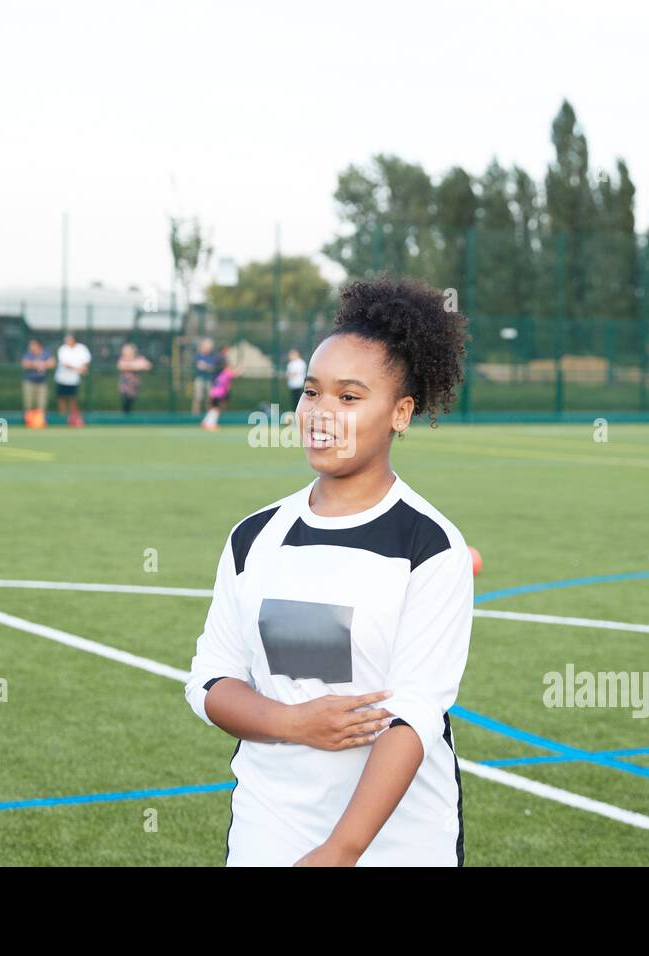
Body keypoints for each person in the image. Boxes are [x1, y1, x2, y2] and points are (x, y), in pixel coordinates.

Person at [183, 274, 473, 866]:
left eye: (349, 397)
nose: (321, 413)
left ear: (401, 412)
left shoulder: (430, 546)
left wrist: (341, 851)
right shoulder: (253, 537)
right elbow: (210, 682)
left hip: (396, 840)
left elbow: (413, 719)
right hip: (272, 824)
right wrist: (292, 723)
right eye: (311, 392)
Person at [55, 332, 91, 425]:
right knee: (61, 398)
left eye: (69, 339)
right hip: (62, 378)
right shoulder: (63, 349)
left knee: (73, 399)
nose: (67, 341)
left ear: (74, 339)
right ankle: (62, 419)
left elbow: (86, 361)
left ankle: (73, 419)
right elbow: (65, 364)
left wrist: (84, 367)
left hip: (74, 379)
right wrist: (79, 369)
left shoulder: (81, 348)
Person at [200, 346, 237, 431]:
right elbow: (233, 374)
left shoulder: (220, 375)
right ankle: (211, 424)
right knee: (216, 409)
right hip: (218, 394)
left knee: (213, 409)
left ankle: (205, 423)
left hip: (214, 393)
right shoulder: (225, 374)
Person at [116, 342, 152, 415]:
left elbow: (148, 365)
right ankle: (125, 418)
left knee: (132, 401)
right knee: (126, 401)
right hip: (125, 387)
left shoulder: (139, 358)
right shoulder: (122, 359)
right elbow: (121, 366)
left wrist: (131, 366)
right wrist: (136, 366)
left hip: (134, 386)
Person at [20, 338, 54, 415]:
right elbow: (24, 364)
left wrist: (43, 364)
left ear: (38, 345)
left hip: (42, 382)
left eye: (33, 345)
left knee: (42, 402)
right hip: (29, 381)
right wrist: (36, 364)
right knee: (28, 402)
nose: (31, 347)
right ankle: (28, 420)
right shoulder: (29, 354)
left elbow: (52, 363)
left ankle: (40, 420)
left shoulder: (46, 353)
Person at [192, 337, 219, 415]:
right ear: (203, 346)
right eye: (207, 346)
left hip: (209, 379)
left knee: (209, 398)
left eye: (210, 346)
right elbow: (199, 366)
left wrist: (205, 366)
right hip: (200, 378)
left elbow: (212, 367)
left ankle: (208, 415)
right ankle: (195, 414)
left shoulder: (212, 357)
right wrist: (206, 366)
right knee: (198, 397)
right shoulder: (198, 355)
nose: (209, 348)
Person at [284, 347, 307, 425]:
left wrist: (290, 375)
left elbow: (293, 374)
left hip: (299, 386)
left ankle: (302, 420)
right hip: (292, 386)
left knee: (300, 404)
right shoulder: (290, 364)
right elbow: (288, 375)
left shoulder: (301, 363)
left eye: (292, 354)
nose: (290, 356)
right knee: (294, 404)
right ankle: (295, 421)